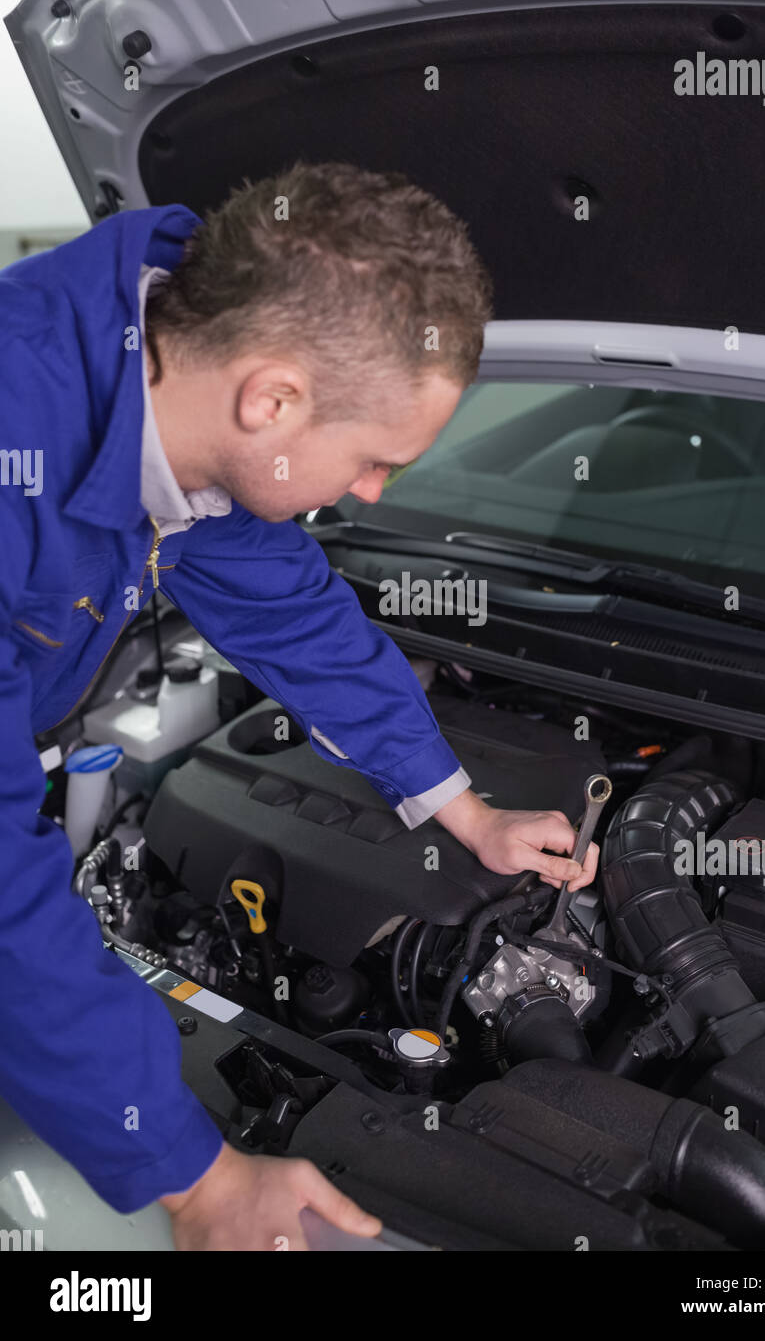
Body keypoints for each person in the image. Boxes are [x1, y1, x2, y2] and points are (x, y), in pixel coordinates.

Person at [0, 161, 599, 1251]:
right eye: (374, 459)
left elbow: (291, 612)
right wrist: (195, 1176)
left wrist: (460, 809)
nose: (374, 492)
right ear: (272, 397)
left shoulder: (165, 383)